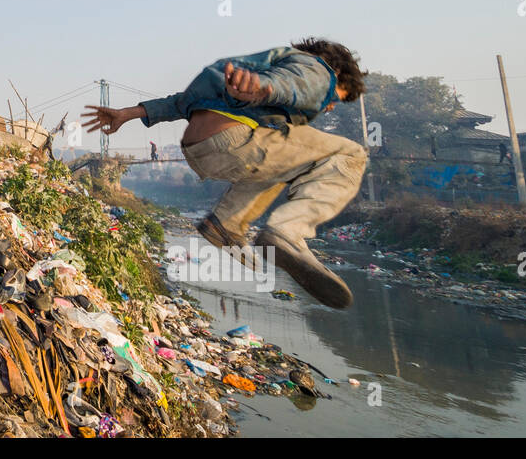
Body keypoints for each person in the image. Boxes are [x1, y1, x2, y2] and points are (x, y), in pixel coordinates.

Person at [83, 38, 367, 309]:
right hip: (234, 140)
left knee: (286, 156)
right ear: (338, 74)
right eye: (337, 99)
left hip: (200, 150)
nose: (329, 106)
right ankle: (289, 232)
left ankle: (226, 224)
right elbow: (292, 84)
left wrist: (127, 114)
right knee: (351, 154)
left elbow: (180, 103)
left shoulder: (255, 66)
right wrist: (261, 87)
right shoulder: (317, 69)